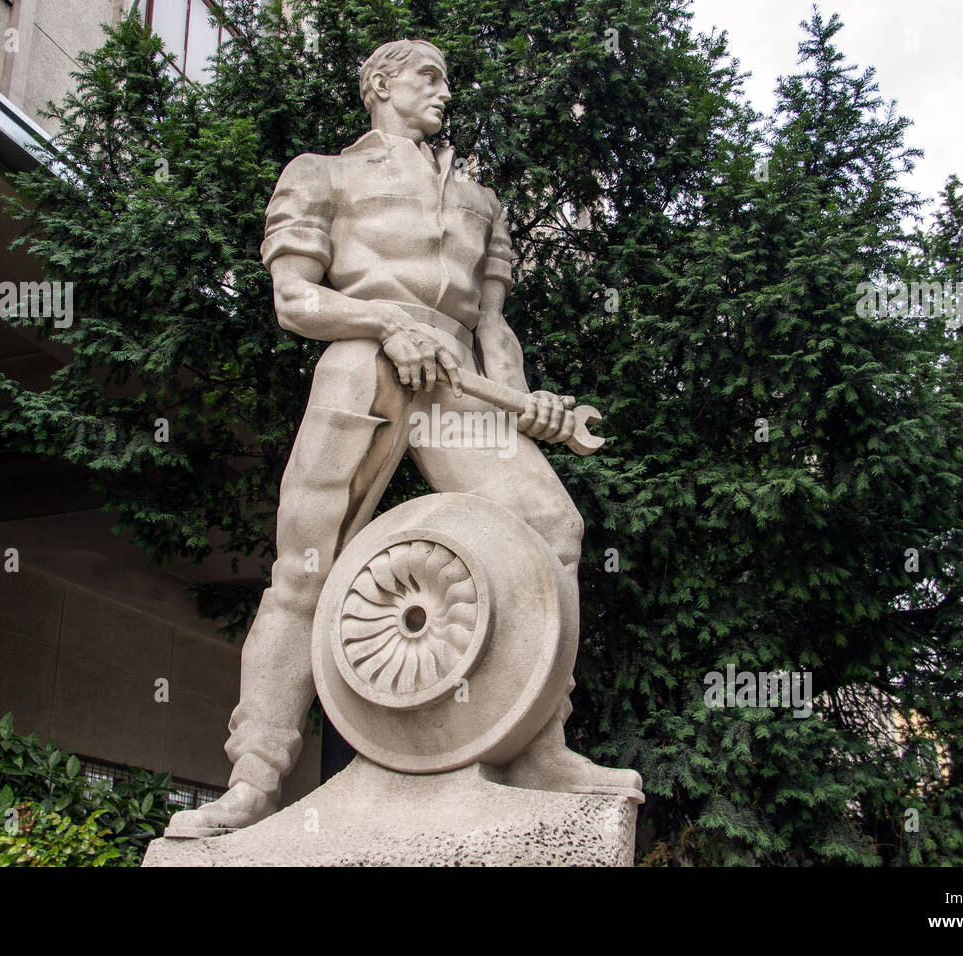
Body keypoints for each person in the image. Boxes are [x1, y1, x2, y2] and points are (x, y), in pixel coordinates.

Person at [166, 38, 642, 836]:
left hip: (457, 387)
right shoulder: (322, 174)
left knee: (554, 526)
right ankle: (252, 780)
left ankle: (536, 746)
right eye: (430, 77)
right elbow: (294, 299)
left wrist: (528, 404)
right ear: (382, 84)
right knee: (304, 571)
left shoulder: (481, 203)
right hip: (362, 363)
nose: (444, 93)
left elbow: (492, 325)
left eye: (448, 81)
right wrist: (386, 321)